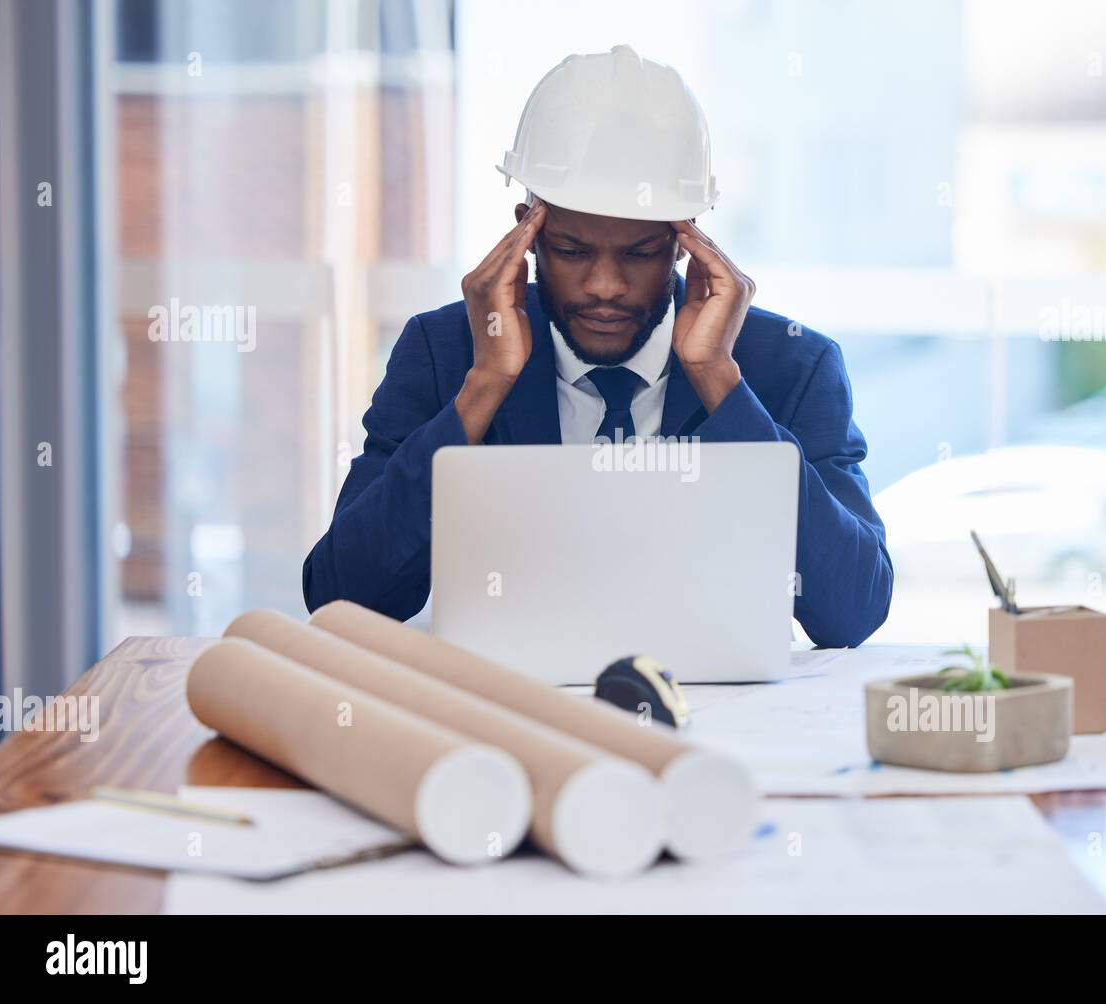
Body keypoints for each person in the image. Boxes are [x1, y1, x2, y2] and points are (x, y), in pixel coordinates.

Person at [303, 45, 893, 648]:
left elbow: (851, 610)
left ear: (684, 242)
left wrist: (721, 383)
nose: (604, 287)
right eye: (572, 251)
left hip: (722, 716)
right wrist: (482, 388)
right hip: (510, 713)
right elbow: (340, 596)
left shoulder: (790, 365)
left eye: (638, 253)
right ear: (525, 236)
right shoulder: (446, 351)